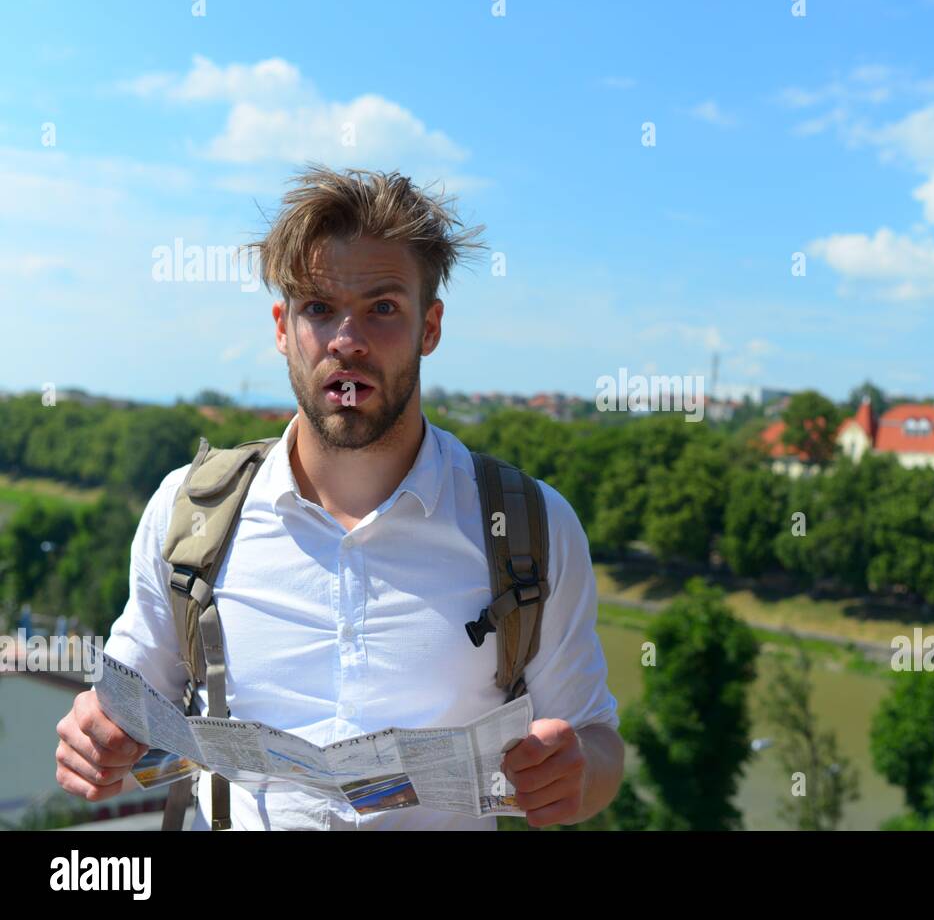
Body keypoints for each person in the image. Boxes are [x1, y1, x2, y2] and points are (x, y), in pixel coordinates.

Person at [54, 165, 624, 829]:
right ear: (282, 328)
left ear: (430, 328)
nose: (346, 343)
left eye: (383, 308)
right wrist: (92, 739)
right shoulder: (188, 514)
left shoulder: (533, 528)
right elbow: (120, 706)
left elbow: (597, 744)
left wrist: (575, 773)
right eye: (319, 309)